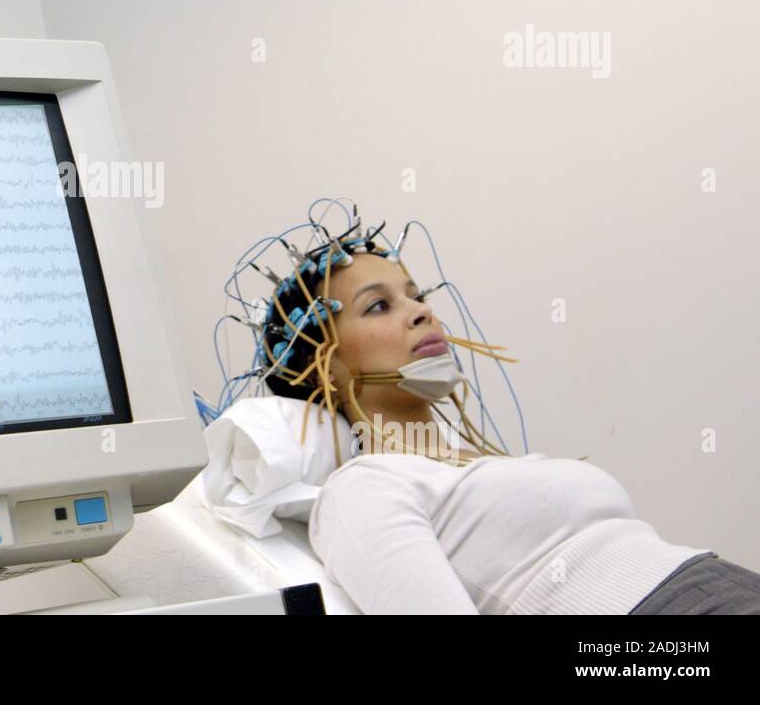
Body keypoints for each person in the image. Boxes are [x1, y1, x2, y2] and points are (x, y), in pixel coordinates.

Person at [263, 237, 760, 615]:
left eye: (416, 296)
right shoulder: (363, 489)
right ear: (322, 366)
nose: (421, 312)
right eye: (379, 305)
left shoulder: (493, 466)